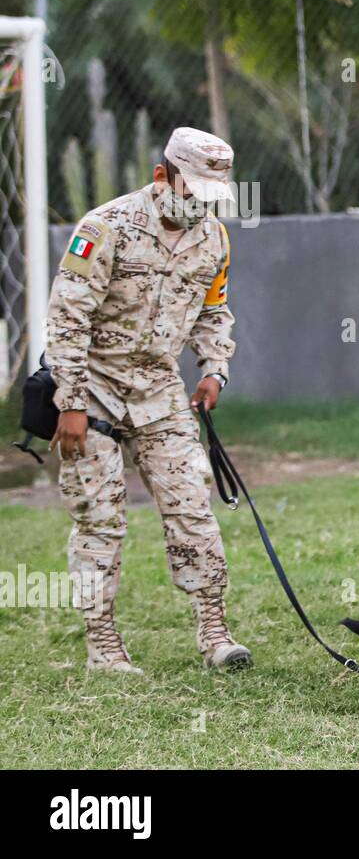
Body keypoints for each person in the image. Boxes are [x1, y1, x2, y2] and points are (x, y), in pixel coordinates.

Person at [46, 126, 250, 673]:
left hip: (160, 393)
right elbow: (67, 318)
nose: (200, 206)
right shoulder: (104, 228)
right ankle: (103, 644)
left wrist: (214, 371)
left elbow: (213, 312)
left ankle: (214, 631)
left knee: (193, 511)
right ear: (163, 175)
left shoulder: (215, 240)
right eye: (193, 190)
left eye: (211, 196)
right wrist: (69, 402)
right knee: (100, 519)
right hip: (93, 392)